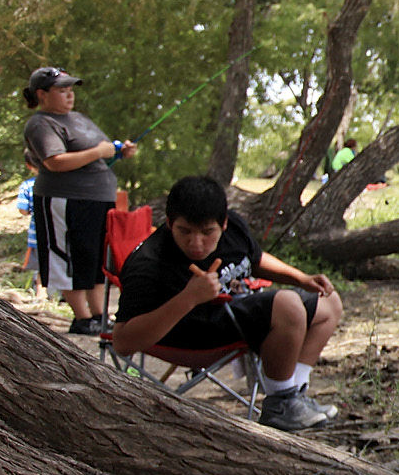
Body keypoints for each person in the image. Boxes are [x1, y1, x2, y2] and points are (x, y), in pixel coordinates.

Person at [109, 174, 343, 432]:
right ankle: (280, 404)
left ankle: (293, 394)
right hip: (187, 333)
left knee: (328, 300)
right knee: (288, 305)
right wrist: (188, 298)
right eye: (184, 231)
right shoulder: (148, 264)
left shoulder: (235, 229)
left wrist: (301, 278)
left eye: (207, 232)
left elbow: (254, 259)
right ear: (169, 223)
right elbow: (122, 342)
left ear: (224, 224)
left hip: (230, 311)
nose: (196, 243)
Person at [22, 65, 136, 334]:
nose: (69, 94)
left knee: (94, 257)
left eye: (70, 89)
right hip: (64, 199)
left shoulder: (79, 119)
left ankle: (99, 315)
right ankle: (81, 317)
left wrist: (120, 151)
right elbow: (55, 162)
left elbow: (103, 149)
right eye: (62, 90)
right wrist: (98, 152)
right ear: (42, 94)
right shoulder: (41, 123)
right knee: (68, 256)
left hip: (98, 199)